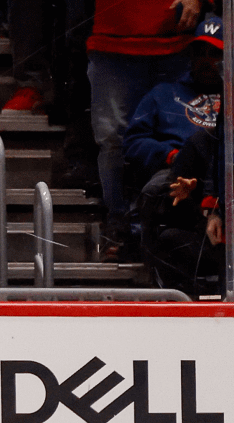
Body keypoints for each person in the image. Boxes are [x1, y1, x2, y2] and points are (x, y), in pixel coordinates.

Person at [87, 0, 204, 251]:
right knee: (112, 140)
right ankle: (119, 223)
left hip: (176, 41)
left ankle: (164, 230)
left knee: (184, 136)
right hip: (115, 38)